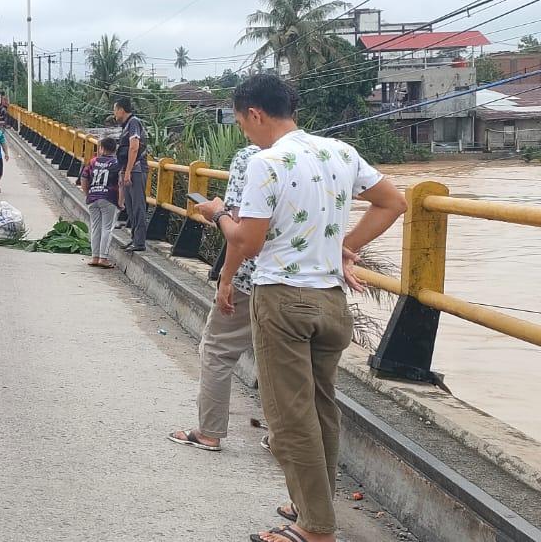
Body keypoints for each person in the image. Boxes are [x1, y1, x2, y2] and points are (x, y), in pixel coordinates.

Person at [195, 74, 406, 542]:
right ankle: (313, 506)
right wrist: (344, 247)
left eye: (241, 123)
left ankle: (314, 528)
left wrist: (218, 215)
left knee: (291, 419)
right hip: (331, 304)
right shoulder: (340, 152)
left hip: (282, 301)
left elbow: (247, 243)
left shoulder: (265, 163)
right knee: (321, 408)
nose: (244, 133)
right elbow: (393, 203)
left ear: (254, 114)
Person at [167, 142, 262, 454]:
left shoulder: (251, 157)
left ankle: (209, 433)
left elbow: (239, 229)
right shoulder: (322, 154)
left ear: (254, 113)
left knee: (217, 349)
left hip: (253, 276)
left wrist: (227, 277)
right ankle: (285, 439)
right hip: (307, 282)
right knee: (284, 364)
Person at [112, 98, 150, 253]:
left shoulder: (134, 123)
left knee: (138, 205)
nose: (114, 114)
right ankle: (134, 239)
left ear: (121, 110)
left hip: (136, 170)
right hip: (128, 170)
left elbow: (134, 148)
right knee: (131, 206)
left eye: (115, 110)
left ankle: (140, 242)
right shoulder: (126, 125)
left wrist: (127, 171)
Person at [79, 136, 121, 268]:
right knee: (107, 228)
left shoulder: (93, 161)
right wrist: (121, 202)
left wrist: (88, 194)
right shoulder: (116, 164)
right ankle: (104, 258)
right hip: (108, 198)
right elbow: (121, 183)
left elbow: (84, 178)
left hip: (93, 197)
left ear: (102, 148)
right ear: (115, 149)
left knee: (95, 227)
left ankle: (95, 257)